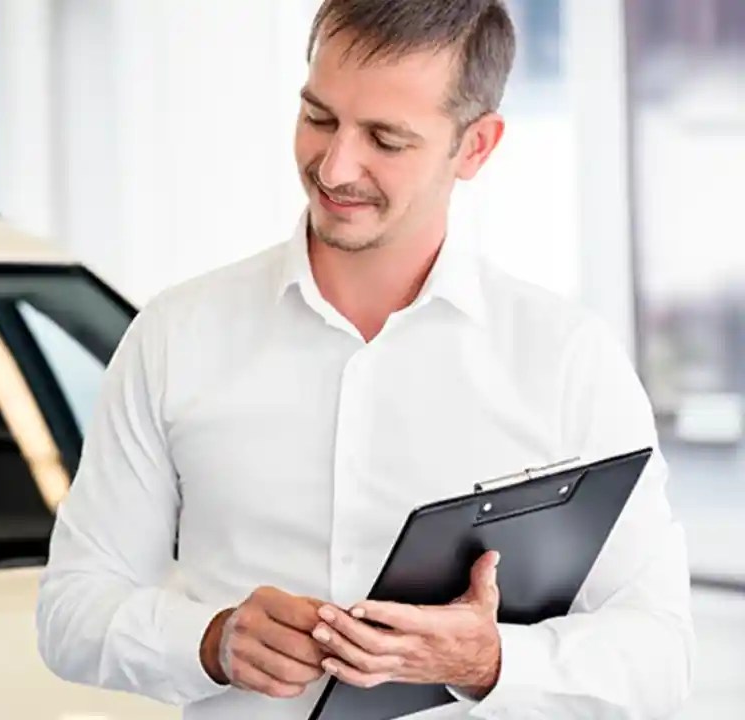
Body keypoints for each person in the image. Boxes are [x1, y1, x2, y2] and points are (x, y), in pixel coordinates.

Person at [35, 0, 694, 717]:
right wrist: (210, 639)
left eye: (385, 137)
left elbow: (661, 656)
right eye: (319, 117)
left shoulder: (569, 360)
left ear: (475, 147)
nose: (335, 164)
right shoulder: (176, 335)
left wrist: (490, 660)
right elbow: (71, 608)